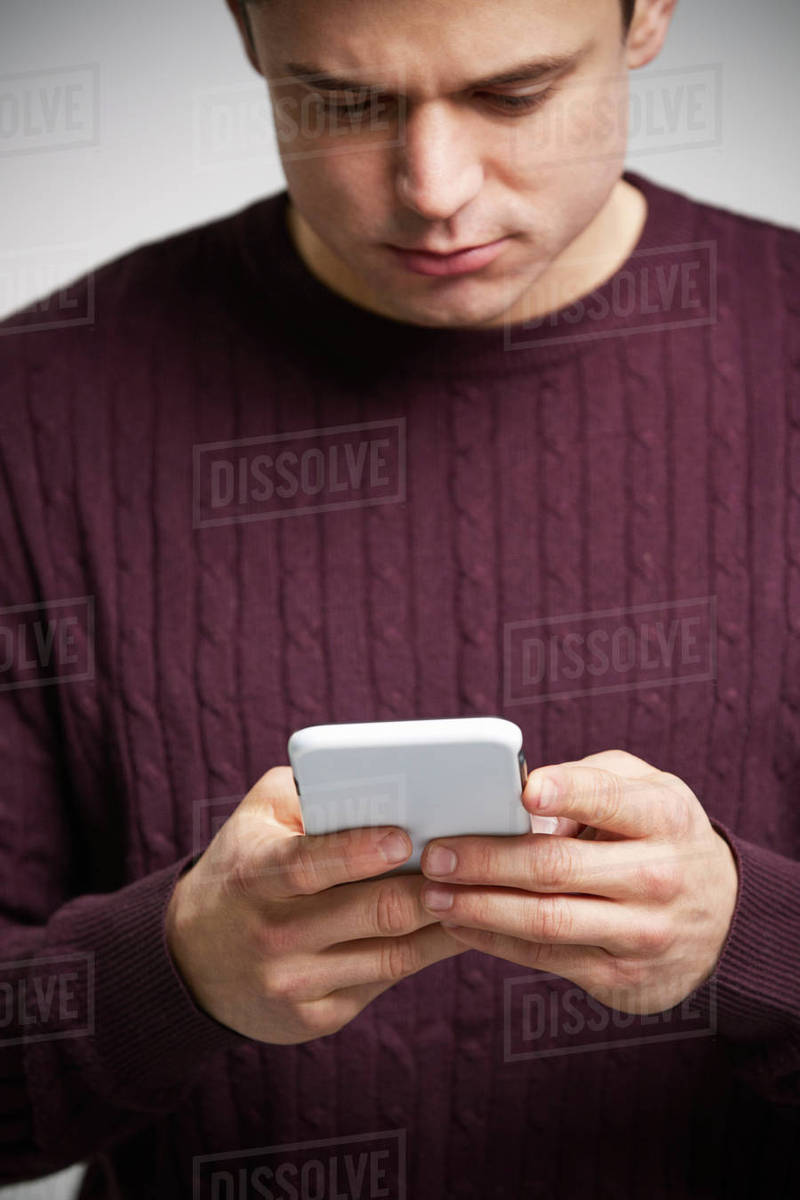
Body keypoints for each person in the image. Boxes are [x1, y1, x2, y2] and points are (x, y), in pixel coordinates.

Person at [1, 0, 798, 1196]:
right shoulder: (35, 408)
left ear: (648, 16)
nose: (430, 188)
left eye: (511, 93)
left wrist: (751, 946)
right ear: (244, 29)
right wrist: (170, 976)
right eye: (342, 101)